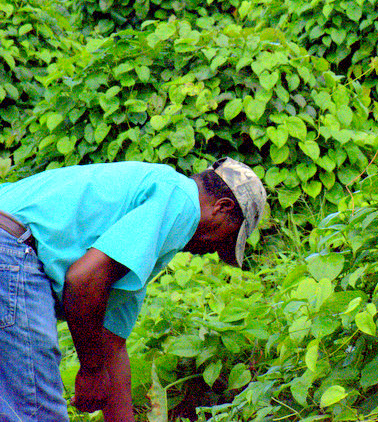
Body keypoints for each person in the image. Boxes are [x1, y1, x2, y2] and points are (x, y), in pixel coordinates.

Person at [0, 157, 266, 421]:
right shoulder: (181, 201)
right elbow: (82, 281)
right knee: (37, 413)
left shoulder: (139, 229)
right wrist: (91, 373)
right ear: (222, 207)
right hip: (10, 246)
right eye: (227, 239)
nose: (216, 251)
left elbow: (111, 344)